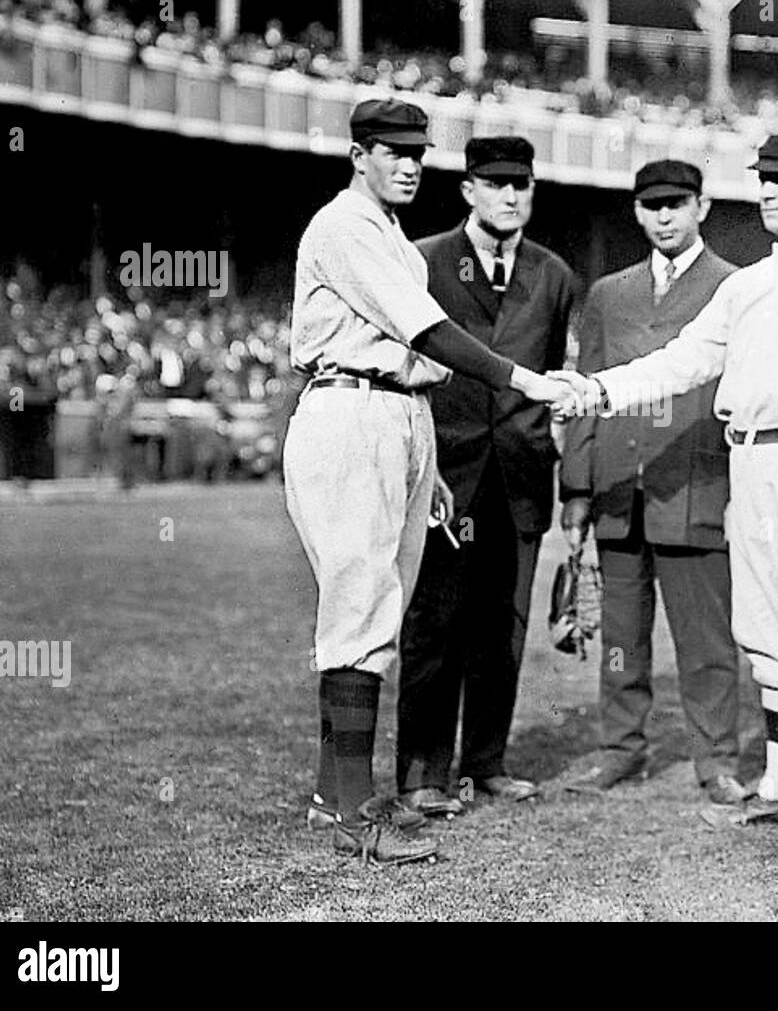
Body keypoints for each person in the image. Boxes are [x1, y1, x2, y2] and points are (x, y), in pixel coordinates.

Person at [551, 127, 778, 866]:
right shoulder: (747, 282)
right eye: (763, 178)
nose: (770, 191)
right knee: (770, 634)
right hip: (749, 464)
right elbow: (683, 359)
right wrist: (595, 387)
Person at [283, 100, 571, 865]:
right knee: (360, 607)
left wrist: (431, 463)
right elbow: (428, 333)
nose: (409, 164)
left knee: (377, 602)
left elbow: (419, 360)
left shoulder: (394, 240)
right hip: (351, 408)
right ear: (358, 155)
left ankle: (329, 797)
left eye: (418, 152)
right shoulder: (345, 225)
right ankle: (352, 812)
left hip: (400, 415)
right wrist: (522, 379)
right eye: (391, 151)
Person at [394, 136, 575, 815]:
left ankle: (487, 761)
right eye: (494, 183)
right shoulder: (423, 259)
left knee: (503, 629)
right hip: (448, 472)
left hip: (521, 476)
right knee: (435, 624)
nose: (508, 195)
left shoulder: (553, 274)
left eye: (520, 184)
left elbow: (548, 372)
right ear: (467, 189)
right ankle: (421, 773)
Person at [559, 160, 748, 806]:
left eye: (676, 203)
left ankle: (717, 760)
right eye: (650, 204)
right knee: (620, 639)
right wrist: (576, 490)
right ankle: (620, 750)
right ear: (635, 210)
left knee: (705, 641)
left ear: (703, 206)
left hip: (694, 487)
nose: (663, 216)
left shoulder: (735, 287)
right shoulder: (610, 293)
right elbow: (587, 391)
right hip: (617, 489)